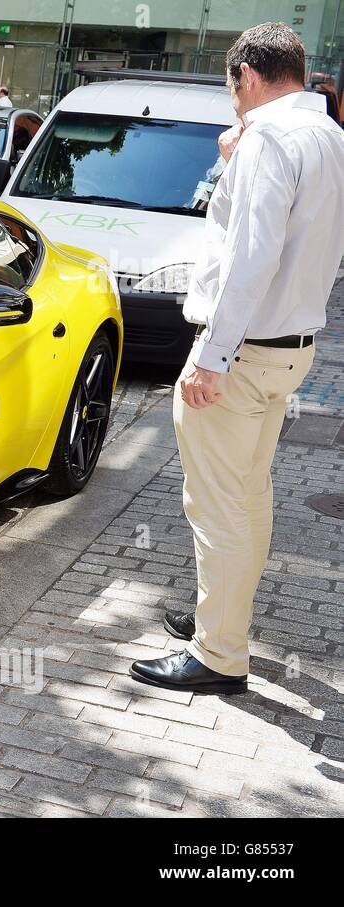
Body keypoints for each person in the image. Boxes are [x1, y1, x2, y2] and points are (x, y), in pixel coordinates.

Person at [130, 22, 344, 694]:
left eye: (232, 89)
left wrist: (211, 356)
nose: (234, 101)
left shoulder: (271, 138)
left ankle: (219, 654)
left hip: (243, 352)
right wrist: (234, 156)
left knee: (219, 506)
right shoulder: (329, 134)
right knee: (247, 498)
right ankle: (217, 621)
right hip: (289, 349)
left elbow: (250, 257)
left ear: (246, 75)